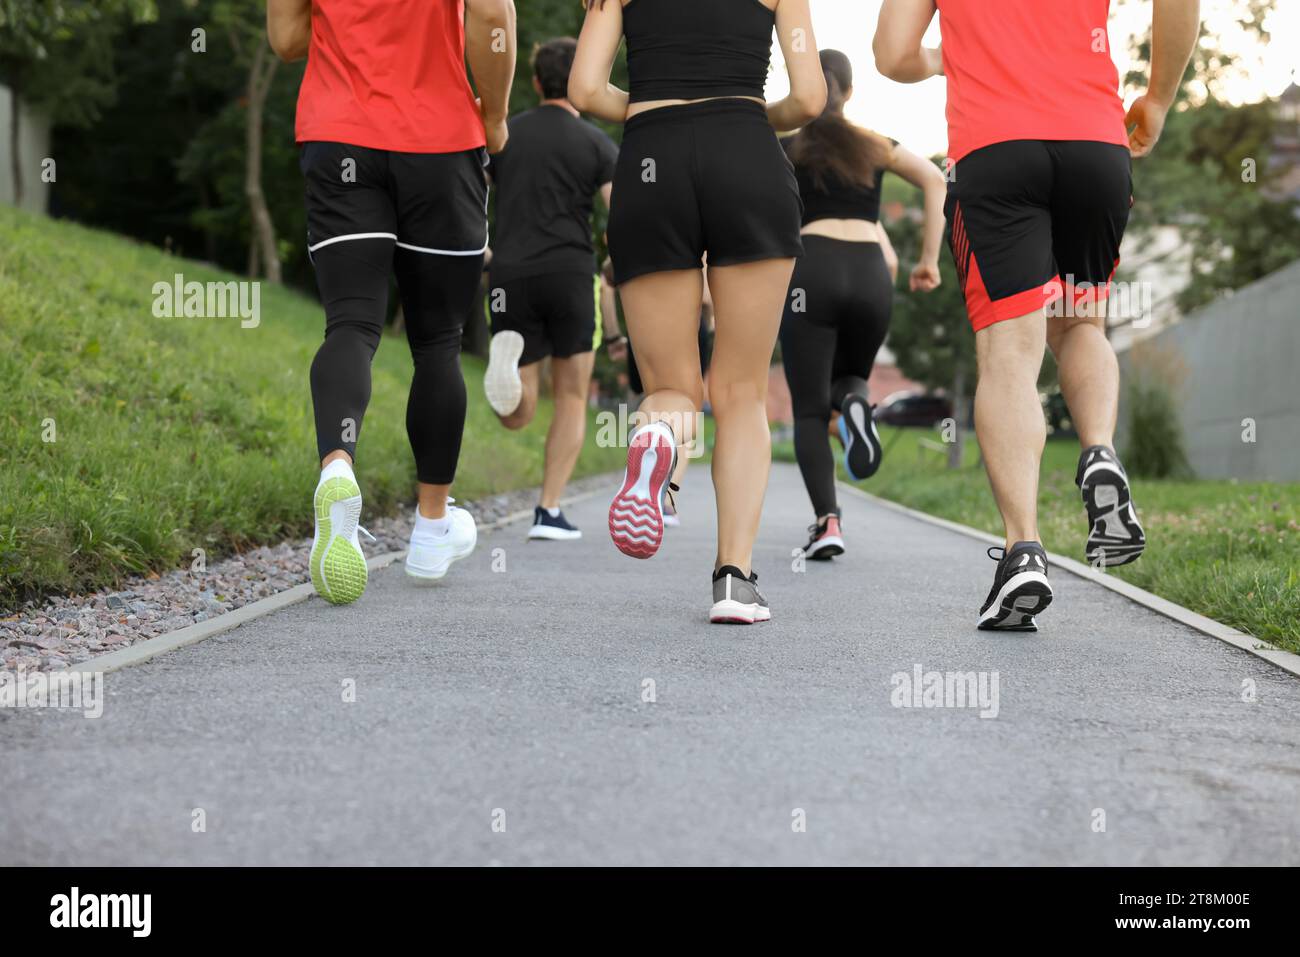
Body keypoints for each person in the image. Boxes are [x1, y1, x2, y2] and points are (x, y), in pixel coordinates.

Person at [874, 0, 1199, 630]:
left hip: (996, 149)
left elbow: (891, 55)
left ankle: (1024, 549)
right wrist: (1157, 98)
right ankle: (1099, 451)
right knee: (1081, 323)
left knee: (1008, 355)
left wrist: (950, 57)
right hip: (1095, 147)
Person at [570, 0, 826, 624]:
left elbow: (583, 87)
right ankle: (734, 581)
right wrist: (744, 113)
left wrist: (647, 105)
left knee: (670, 386)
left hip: (651, 162)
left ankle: (659, 435)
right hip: (746, 154)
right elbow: (811, 100)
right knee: (739, 389)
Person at [268, 0, 516, 604]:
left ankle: (337, 468)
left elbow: (286, 37)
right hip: (440, 140)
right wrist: (498, 116)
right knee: (437, 344)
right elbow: (491, 17)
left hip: (339, 137)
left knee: (350, 324)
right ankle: (432, 529)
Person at [779, 49, 946, 561]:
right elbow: (936, 180)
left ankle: (828, 523)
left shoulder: (786, 145)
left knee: (808, 411)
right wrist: (928, 261)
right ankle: (854, 407)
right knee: (851, 377)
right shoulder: (875, 144)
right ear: (850, 92)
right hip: (873, 274)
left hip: (813, 270)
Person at [481, 38, 623, 541]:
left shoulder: (504, 135)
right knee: (571, 397)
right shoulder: (596, 143)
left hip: (509, 274)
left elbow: (469, 194)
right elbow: (622, 214)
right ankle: (548, 509)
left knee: (520, 412)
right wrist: (615, 259)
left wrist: (483, 253)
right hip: (570, 275)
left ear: (536, 81)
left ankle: (509, 385)